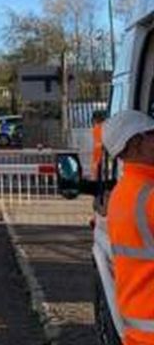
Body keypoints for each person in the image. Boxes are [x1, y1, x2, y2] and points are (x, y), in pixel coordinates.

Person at [102, 110, 154, 345]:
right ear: (135, 143)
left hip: (138, 332)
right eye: (152, 134)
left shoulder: (120, 194)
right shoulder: (150, 196)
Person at [91, 110, 107, 178]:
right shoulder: (102, 127)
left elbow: (98, 145)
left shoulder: (97, 128)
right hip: (100, 157)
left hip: (99, 158)